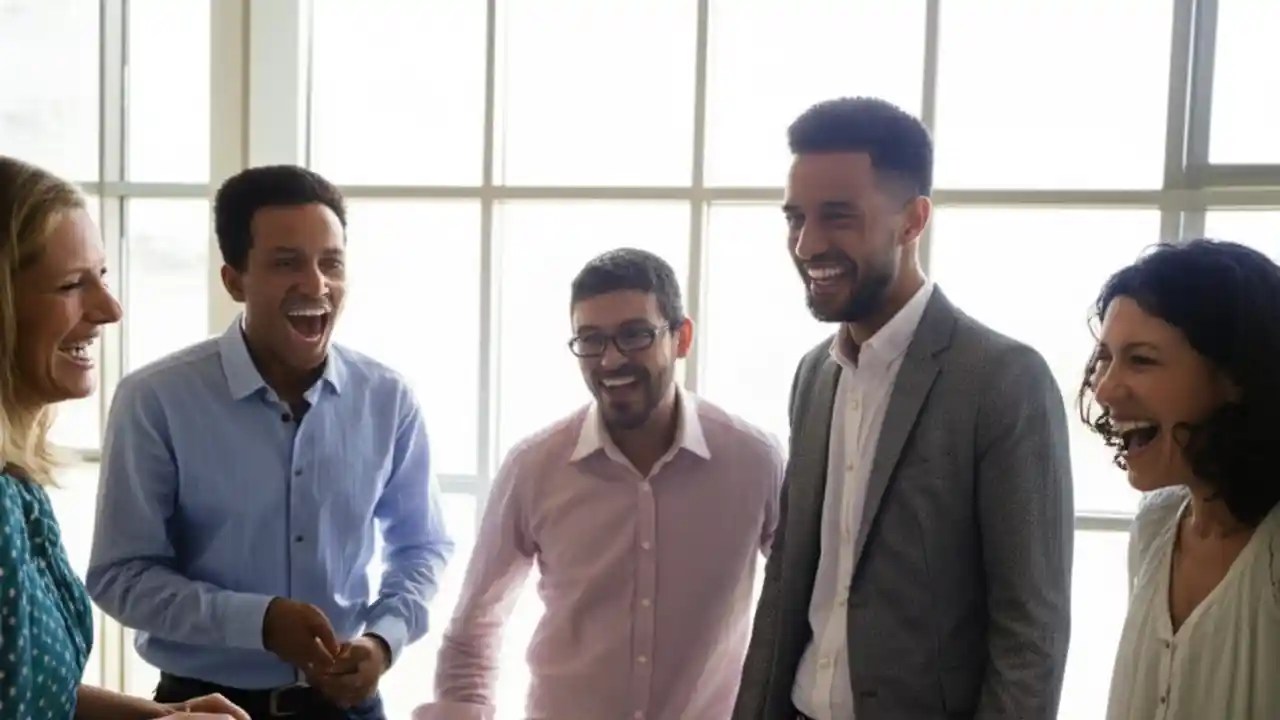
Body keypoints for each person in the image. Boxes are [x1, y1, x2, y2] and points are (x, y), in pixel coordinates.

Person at [733, 97, 1074, 720]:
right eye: (795, 218)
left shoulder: (1003, 380)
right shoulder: (815, 374)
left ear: (913, 220)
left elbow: (1032, 633)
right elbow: (785, 580)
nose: (808, 243)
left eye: (838, 217)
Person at [85, 165, 454, 719]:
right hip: (202, 707)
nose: (316, 284)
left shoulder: (388, 399)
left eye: (331, 262)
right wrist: (258, 621)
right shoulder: (156, 399)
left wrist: (383, 639)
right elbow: (121, 576)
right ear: (234, 280)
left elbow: (422, 548)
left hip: (351, 708)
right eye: (287, 263)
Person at [415, 248, 784, 720]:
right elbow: (474, 629)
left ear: (681, 337)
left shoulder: (754, 462)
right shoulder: (534, 467)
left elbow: (809, 610)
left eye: (634, 335)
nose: (610, 360)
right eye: (590, 340)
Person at [0, 155, 249, 719]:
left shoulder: (16, 486)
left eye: (102, 275)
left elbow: (35, 695)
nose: (109, 309)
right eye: (70, 285)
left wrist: (159, 716)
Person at [1081, 239, 1280, 719]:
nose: (1105, 388)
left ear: (1235, 377)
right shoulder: (1155, 525)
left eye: (1141, 360)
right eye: (1105, 356)